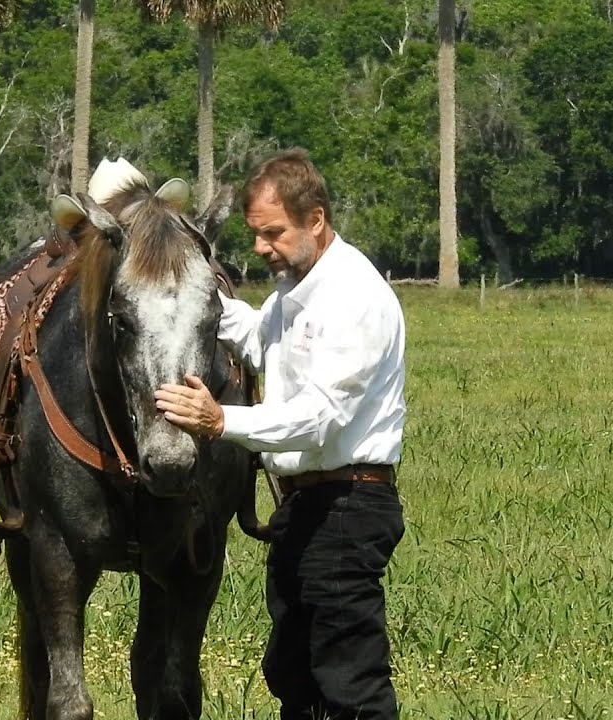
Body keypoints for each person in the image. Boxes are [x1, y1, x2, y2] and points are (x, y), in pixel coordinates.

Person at [153, 148, 407, 720]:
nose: (262, 248)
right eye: (256, 235)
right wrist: (191, 290)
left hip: (348, 503)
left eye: (273, 233)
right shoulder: (297, 287)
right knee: (293, 669)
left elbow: (319, 416)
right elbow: (256, 335)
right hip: (305, 506)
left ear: (315, 218)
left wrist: (221, 421)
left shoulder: (354, 297)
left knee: (349, 679)